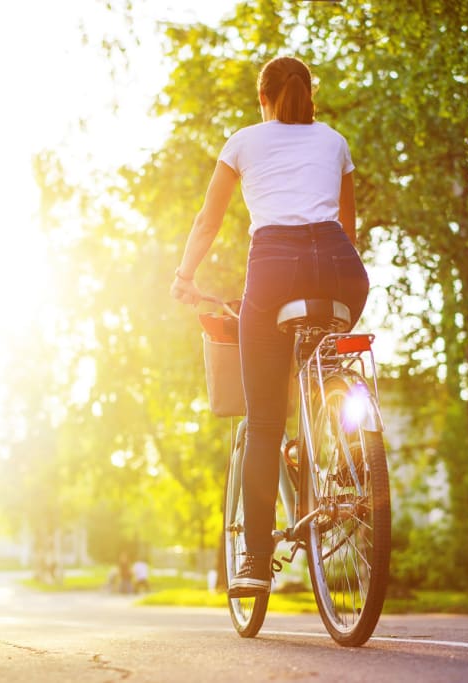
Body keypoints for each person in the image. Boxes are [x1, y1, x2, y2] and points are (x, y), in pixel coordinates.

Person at [170, 56, 369, 598]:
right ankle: (348, 451)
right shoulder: (335, 141)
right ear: (310, 97)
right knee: (329, 355)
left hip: (275, 270)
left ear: (263, 100)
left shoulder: (243, 141)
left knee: (262, 424)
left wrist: (185, 275)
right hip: (343, 272)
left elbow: (208, 220)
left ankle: (256, 561)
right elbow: (347, 229)